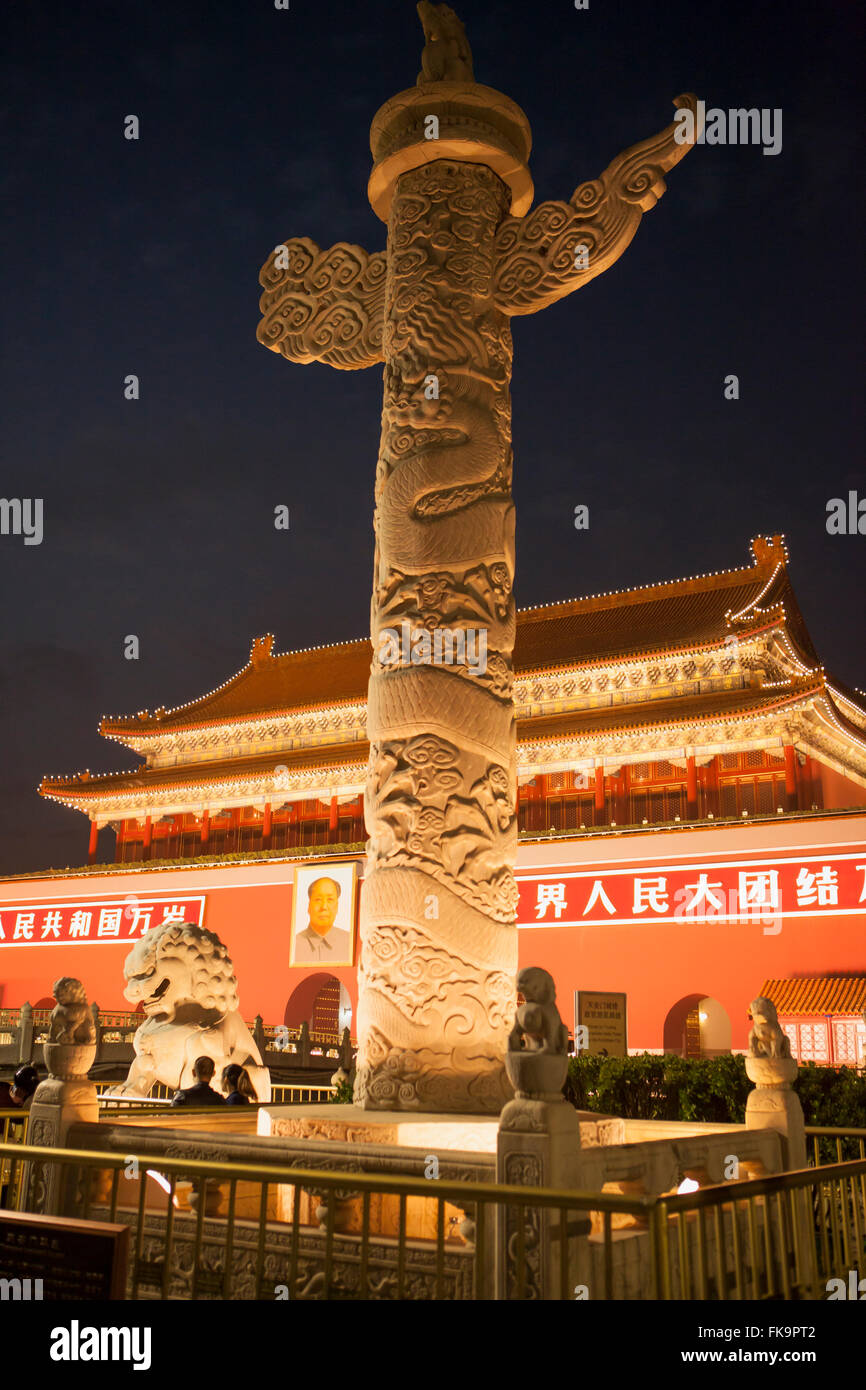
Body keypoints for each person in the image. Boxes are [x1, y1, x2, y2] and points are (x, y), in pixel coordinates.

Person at [292, 875, 353, 963]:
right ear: (308, 906)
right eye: (318, 899)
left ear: (337, 907)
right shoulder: (295, 944)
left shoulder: (349, 942)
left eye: (330, 899)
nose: (324, 907)